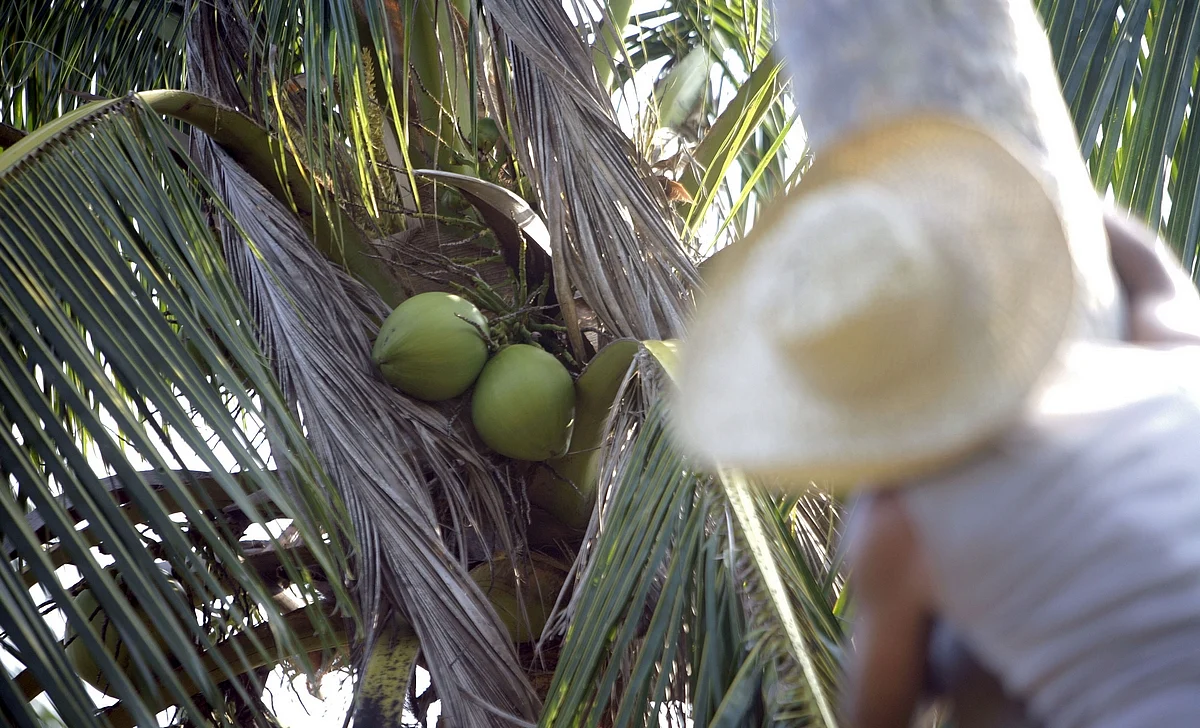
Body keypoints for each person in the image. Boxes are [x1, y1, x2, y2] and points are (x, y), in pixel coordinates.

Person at [674, 113, 1200, 728]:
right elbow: (1151, 267)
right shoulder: (1173, 367)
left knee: (957, 658)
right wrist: (1034, 199)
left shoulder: (901, 525)